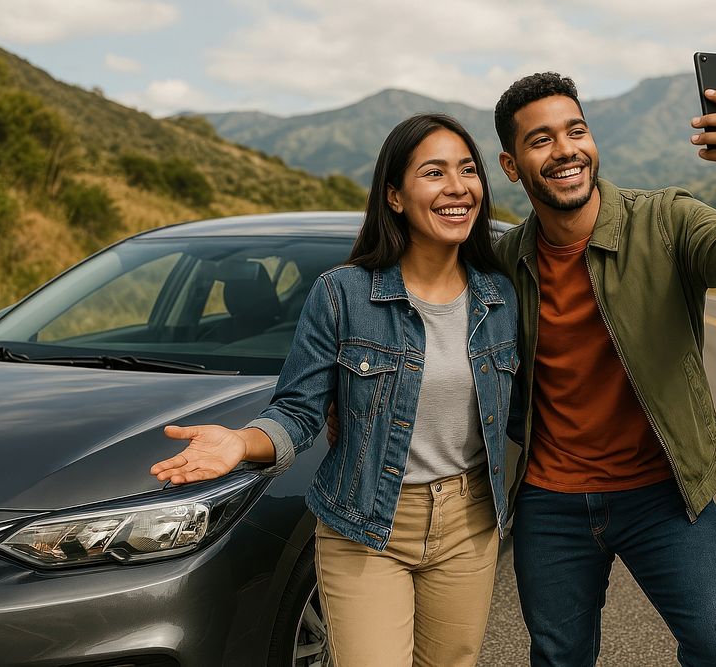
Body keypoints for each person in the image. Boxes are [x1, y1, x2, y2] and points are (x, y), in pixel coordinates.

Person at [150, 113, 520, 667]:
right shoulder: (343, 295)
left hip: (469, 522)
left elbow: (531, 408)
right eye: (433, 172)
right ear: (394, 196)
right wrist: (242, 442)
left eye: (468, 170)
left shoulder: (501, 299)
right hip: (366, 521)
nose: (457, 187)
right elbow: (299, 410)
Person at [492, 72, 716, 666]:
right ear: (511, 165)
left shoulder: (665, 220)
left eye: (576, 131)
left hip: (661, 494)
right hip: (551, 504)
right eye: (541, 139)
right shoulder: (505, 262)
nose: (565, 150)